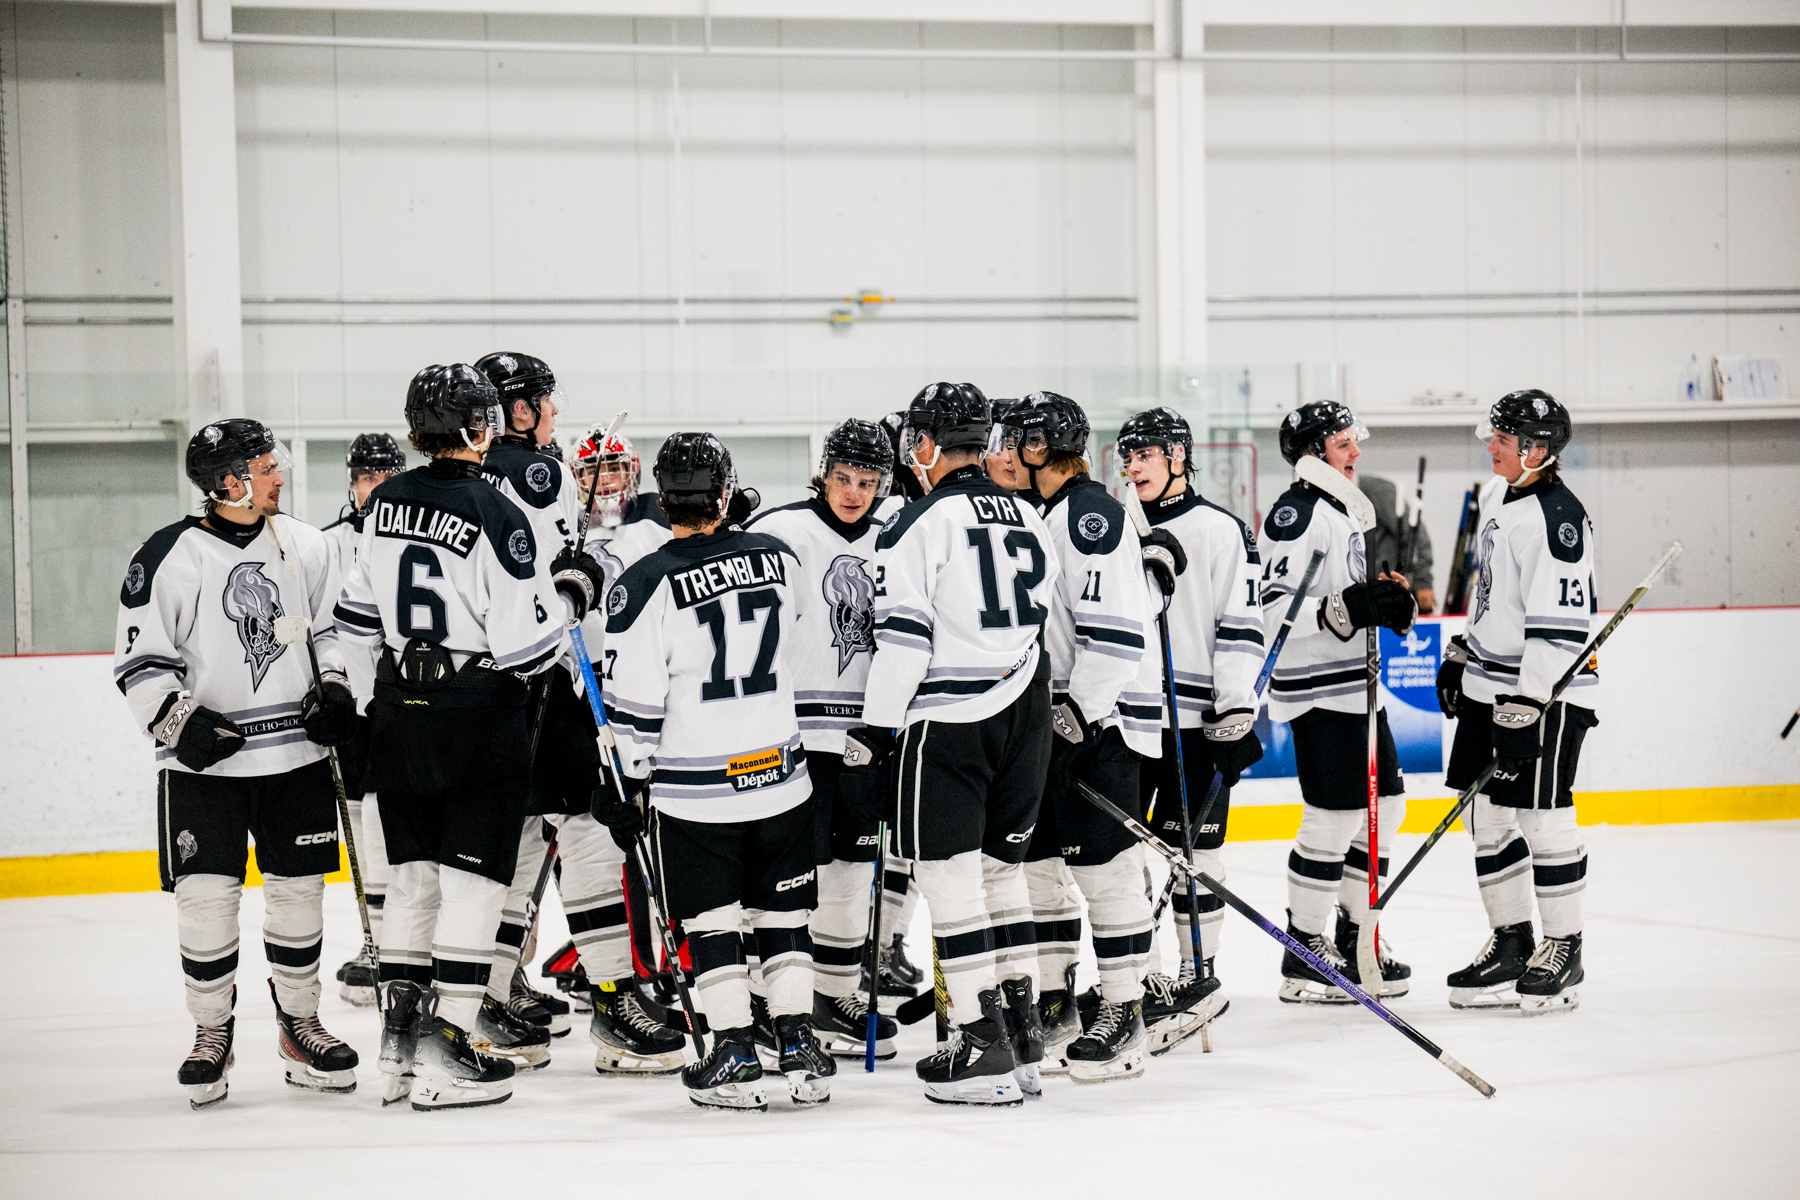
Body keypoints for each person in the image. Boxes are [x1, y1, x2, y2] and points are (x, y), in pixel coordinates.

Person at [333, 363, 569, 1110]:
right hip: (477, 714)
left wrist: (378, 701)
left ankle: (399, 1047)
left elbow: (357, 621)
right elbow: (530, 649)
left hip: (398, 711)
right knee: (472, 883)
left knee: (409, 879)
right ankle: (449, 1051)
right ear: (479, 426)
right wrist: (571, 592)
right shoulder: (498, 511)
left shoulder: (385, 501)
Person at [115, 418, 359, 1109]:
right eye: (266, 466)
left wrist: (335, 687)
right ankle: (210, 1032)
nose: (279, 475)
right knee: (206, 902)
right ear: (229, 481)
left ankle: (300, 1024)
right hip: (205, 771)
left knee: (298, 895)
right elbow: (139, 659)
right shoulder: (169, 555)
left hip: (296, 757)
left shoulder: (305, 544)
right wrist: (177, 723)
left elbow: (331, 630)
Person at [594, 432, 834, 1111]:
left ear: (663, 497)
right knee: (785, 915)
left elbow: (636, 706)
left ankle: (734, 1049)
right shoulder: (778, 556)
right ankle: (798, 1042)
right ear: (726, 493)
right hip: (781, 777)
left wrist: (624, 779)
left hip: (696, 793)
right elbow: (795, 632)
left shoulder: (643, 583)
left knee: (712, 921)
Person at [853, 382, 1061, 1107]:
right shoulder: (1030, 515)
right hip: (1027, 710)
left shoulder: (915, 523)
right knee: (1003, 877)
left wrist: (875, 731)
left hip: (950, 721)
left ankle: (979, 1041)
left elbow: (905, 644)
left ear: (926, 443)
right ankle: (1023, 1039)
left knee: (949, 883)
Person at [1005, 392, 1161, 1082]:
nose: (1005, 453)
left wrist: (1077, 719)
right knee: (1040, 868)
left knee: (1106, 873)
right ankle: (1055, 1000)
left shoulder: (1088, 515)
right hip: (1051, 723)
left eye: (1016, 441)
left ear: (1040, 447)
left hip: (1100, 725)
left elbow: (1118, 637)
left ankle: (1125, 1013)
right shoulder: (1044, 513)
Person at [466, 351, 614, 1069]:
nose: (554, 412)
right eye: (546, 400)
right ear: (519, 409)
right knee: (588, 828)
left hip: (479, 692)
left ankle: (487, 996)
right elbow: (560, 590)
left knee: (516, 838)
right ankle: (614, 997)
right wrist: (584, 577)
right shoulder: (539, 471)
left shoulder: (457, 478)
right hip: (546, 680)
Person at [748, 419, 905, 1062]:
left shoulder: (899, 533)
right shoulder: (780, 531)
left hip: (866, 736)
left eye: (867, 482)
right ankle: (766, 1000)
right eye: (843, 478)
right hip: (794, 734)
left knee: (850, 872)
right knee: (784, 874)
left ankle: (835, 996)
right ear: (824, 472)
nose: (853, 493)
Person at [1438, 390, 1596, 1015]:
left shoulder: (1558, 519)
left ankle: (1564, 947)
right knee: (1486, 817)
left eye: (1502, 439)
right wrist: (1462, 652)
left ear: (1536, 449)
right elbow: (1492, 596)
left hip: (1542, 695)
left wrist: (1528, 701)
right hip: (1489, 686)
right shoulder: (1498, 496)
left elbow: (1560, 628)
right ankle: (1512, 942)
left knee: (1543, 818)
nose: (1491, 446)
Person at [1260, 402, 1418, 1003]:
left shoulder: (1340, 510)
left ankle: (1355, 939)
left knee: (1388, 807)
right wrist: (1344, 608)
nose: (1356, 452)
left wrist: (1383, 602)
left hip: (1355, 689)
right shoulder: (1296, 514)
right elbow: (1269, 609)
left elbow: (1344, 602)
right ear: (1313, 452)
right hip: (1318, 690)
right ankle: (1304, 952)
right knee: (1332, 819)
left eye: (1355, 441)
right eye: (1344, 443)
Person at [1116, 407, 1264, 1034]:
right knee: (1120, 854)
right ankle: (1139, 977)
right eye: (1127, 455)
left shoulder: (1221, 530)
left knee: (1194, 853)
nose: (1133, 466)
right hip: (1128, 717)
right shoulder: (1114, 529)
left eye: (1145, 454)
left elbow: (1241, 625)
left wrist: (1233, 706)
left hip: (1193, 720)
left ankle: (1197, 971)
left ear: (1178, 456)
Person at [324, 433, 406, 1006]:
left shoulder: (416, 533)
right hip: (356, 710)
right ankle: (374, 940)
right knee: (364, 827)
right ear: (352, 483)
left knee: (406, 824)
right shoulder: (326, 544)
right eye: (365, 477)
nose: (374, 487)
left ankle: (409, 940)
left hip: (406, 701)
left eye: (384, 476)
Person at [1361, 474, 1437, 614]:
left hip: (1391, 596)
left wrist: (1423, 581)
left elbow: (1415, 533)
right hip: (1363, 599)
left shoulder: (1375, 490)